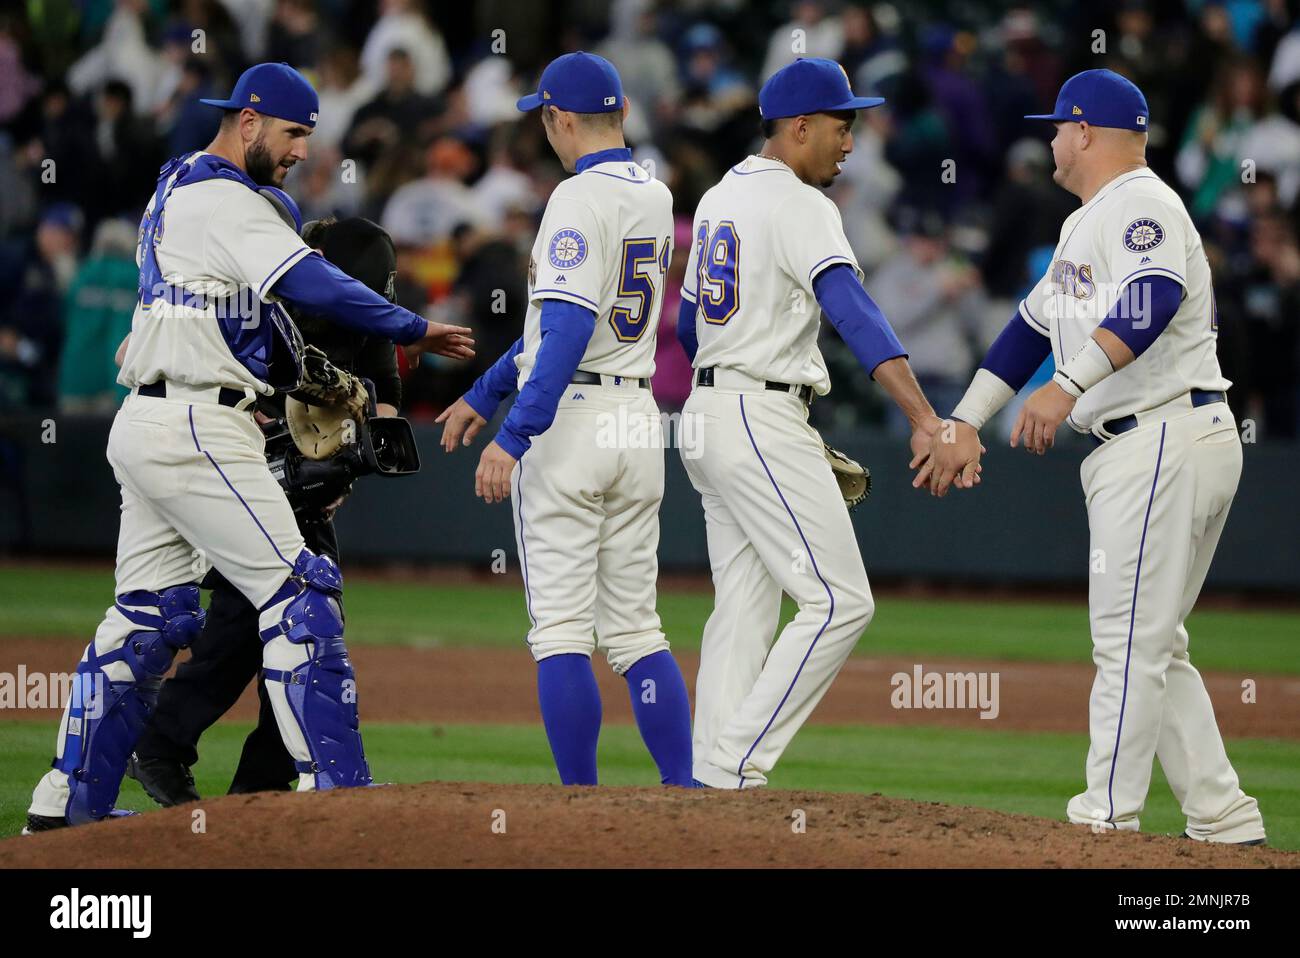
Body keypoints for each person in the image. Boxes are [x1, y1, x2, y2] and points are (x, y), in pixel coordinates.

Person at [23, 62, 474, 833]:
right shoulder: (227, 198)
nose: (302, 149)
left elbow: (254, 322)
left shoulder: (178, 189)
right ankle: (339, 795)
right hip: (199, 424)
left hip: (151, 421)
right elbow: (316, 284)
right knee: (300, 594)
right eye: (295, 132)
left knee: (148, 618)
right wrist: (412, 329)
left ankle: (65, 807)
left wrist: (317, 373)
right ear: (250, 121)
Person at [924, 69, 1267, 845]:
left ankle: (1102, 824)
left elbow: (1154, 295)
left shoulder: (1140, 202)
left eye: (1057, 126)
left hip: (1160, 437)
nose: (1050, 139)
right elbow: (1026, 332)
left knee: (1128, 641)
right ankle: (1224, 817)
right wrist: (965, 420)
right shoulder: (1091, 220)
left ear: (1084, 132)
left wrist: (1066, 387)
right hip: (1160, 439)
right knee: (1155, 641)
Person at [676, 58, 947, 789]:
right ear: (799, 127)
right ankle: (736, 763)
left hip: (710, 412)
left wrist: (734, 380)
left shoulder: (716, 198)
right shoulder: (801, 205)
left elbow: (686, 324)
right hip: (758, 414)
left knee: (745, 605)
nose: (850, 140)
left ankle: (709, 776)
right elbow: (854, 313)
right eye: (841, 124)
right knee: (840, 601)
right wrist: (924, 417)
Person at [436, 52, 695, 787]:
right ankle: (684, 790)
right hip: (636, 418)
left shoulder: (575, 200)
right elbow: (554, 326)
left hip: (572, 419)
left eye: (544, 116)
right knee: (638, 630)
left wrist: (514, 433)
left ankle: (578, 809)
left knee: (560, 634)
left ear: (562, 119)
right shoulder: (652, 190)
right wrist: (486, 392)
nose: (543, 129)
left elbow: (569, 325)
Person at [127, 216, 408, 805]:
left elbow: (381, 395)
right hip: (237, 469)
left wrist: (352, 464)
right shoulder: (259, 290)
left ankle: (242, 775)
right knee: (258, 625)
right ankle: (166, 746)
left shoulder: (363, 315)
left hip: (304, 491)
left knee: (292, 623)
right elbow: (145, 352)